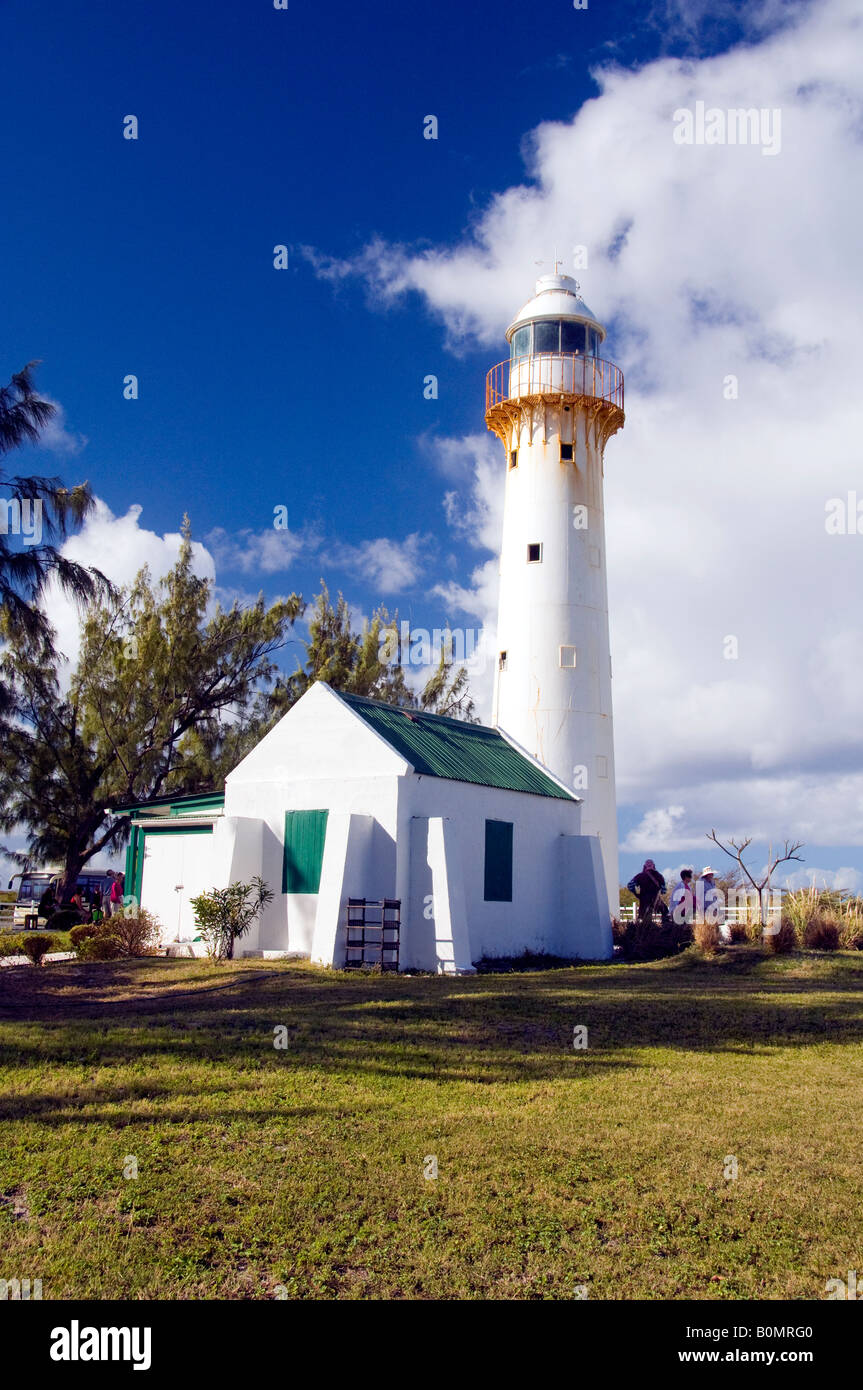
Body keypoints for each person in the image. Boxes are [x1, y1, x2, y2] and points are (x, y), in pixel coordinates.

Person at [627, 859, 669, 924]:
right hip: (656, 900)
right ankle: (664, 927)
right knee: (665, 911)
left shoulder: (640, 876)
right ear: (654, 866)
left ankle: (646, 931)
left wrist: (637, 894)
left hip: (644, 901)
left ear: (645, 866)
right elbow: (664, 891)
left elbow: (630, 885)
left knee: (646, 921)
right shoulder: (659, 876)